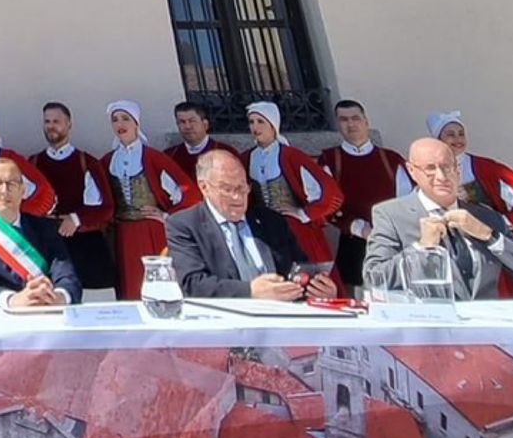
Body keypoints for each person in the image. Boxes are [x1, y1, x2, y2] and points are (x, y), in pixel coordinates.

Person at [364, 138, 513, 301]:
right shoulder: (391, 215)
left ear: (458, 170)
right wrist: (421, 249)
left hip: (485, 328)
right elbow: (375, 278)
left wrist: (491, 237)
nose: (441, 177)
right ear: (412, 171)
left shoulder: (485, 217)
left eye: (446, 167)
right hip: (428, 328)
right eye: (430, 169)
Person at [166, 152, 333, 301]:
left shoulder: (271, 221)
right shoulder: (184, 225)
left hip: (281, 317)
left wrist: (317, 287)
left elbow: (299, 267)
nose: (237, 197)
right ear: (204, 187)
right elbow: (193, 285)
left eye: (242, 188)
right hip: (224, 323)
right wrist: (250, 291)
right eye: (227, 189)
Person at [0, 157, 82, 309]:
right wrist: (13, 300)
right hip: (1, 320)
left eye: (12, 183)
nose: (5, 190)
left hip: (48, 311)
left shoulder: (44, 227)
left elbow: (67, 274)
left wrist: (60, 296)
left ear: (23, 190)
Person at [102, 101, 198, 299]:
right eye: (115, 119)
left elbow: (188, 192)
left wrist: (167, 216)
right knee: (130, 286)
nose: (120, 123)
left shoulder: (153, 157)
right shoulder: (107, 161)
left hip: (153, 231)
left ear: (136, 123)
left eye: (125, 118)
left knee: (159, 284)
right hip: (124, 233)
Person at [242, 101, 343, 283]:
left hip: (295, 229)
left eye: (260, 121)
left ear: (273, 125)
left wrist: (305, 213)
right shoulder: (247, 157)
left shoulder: (291, 155)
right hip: (263, 229)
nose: (255, 127)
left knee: (306, 278)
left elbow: (332, 194)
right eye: (251, 122)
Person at [320, 100, 412, 289]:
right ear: (338, 124)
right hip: (353, 245)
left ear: (366, 121)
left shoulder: (391, 160)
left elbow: (407, 201)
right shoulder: (330, 160)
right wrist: (359, 228)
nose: (351, 124)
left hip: (392, 242)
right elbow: (326, 204)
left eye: (355, 118)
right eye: (344, 119)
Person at [30, 102, 116, 291]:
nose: (51, 126)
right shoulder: (34, 163)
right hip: (48, 248)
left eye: (56, 121)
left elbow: (106, 208)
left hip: (86, 248)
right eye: (47, 121)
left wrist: (76, 219)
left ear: (69, 124)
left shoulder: (87, 162)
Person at [428, 111, 513, 231]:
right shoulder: (426, 171)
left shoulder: (486, 168)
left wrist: (499, 222)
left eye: (461, 134)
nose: (458, 138)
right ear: (438, 140)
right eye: (450, 134)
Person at [164, 101, 229, 180]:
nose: (187, 126)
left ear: (205, 124)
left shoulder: (226, 153)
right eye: (182, 122)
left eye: (192, 121)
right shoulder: (169, 156)